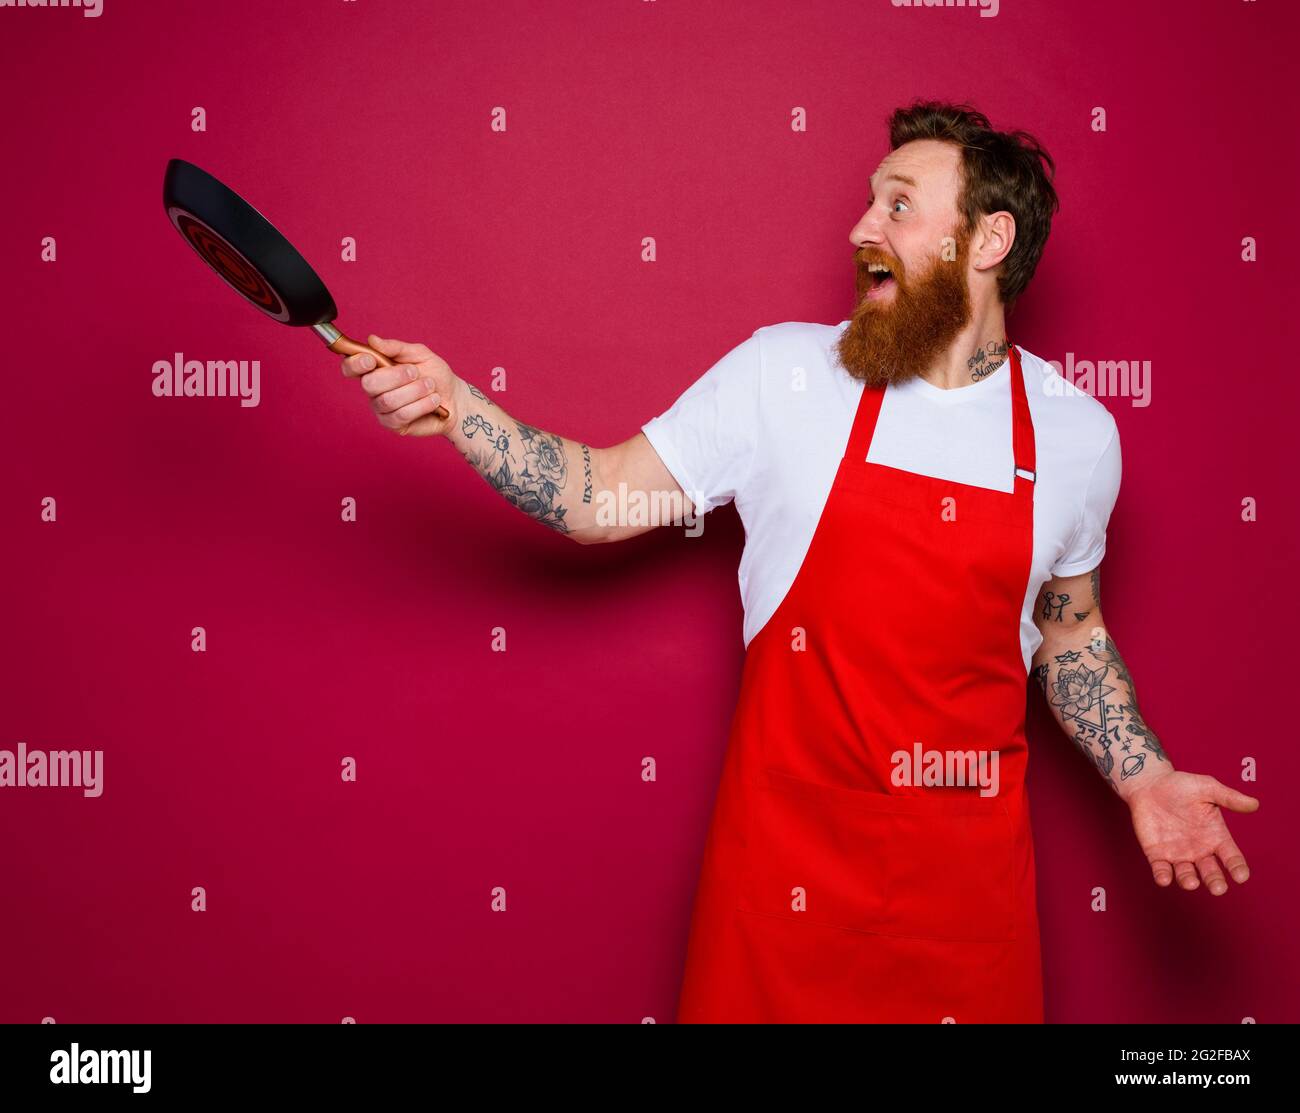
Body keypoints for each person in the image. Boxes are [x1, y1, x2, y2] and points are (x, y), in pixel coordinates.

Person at [339, 100, 1259, 1023]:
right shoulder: (782, 378)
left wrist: (1142, 774)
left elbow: (1071, 634)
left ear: (987, 241)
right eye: (869, 202)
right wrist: (459, 409)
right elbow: (599, 499)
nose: (862, 228)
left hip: (966, 903)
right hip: (781, 891)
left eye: (899, 204)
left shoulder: (1077, 436)